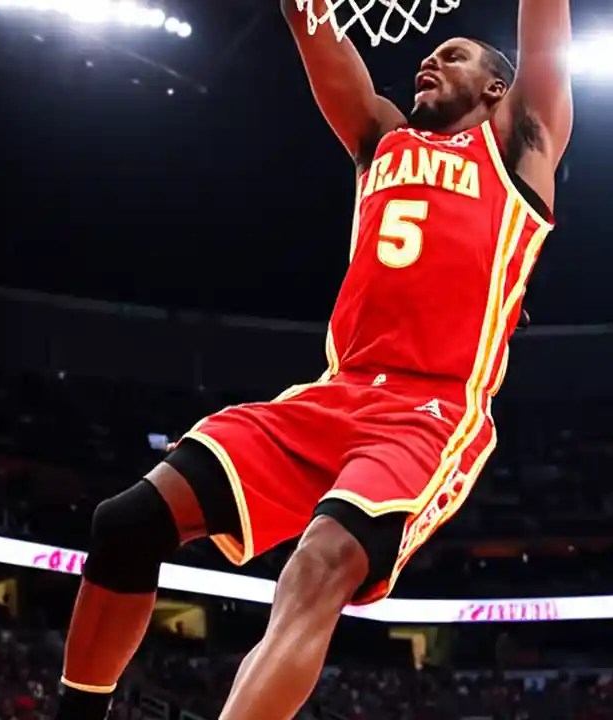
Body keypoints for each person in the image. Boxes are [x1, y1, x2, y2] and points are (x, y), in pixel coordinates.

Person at [55, 0, 573, 717]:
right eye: (431, 54)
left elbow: (546, 35)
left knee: (318, 565)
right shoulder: (381, 139)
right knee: (126, 522)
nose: (430, 60)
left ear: (496, 90)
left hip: (428, 411)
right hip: (333, 393)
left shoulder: (519, 145)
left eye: (454, 55)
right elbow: (309, 24)